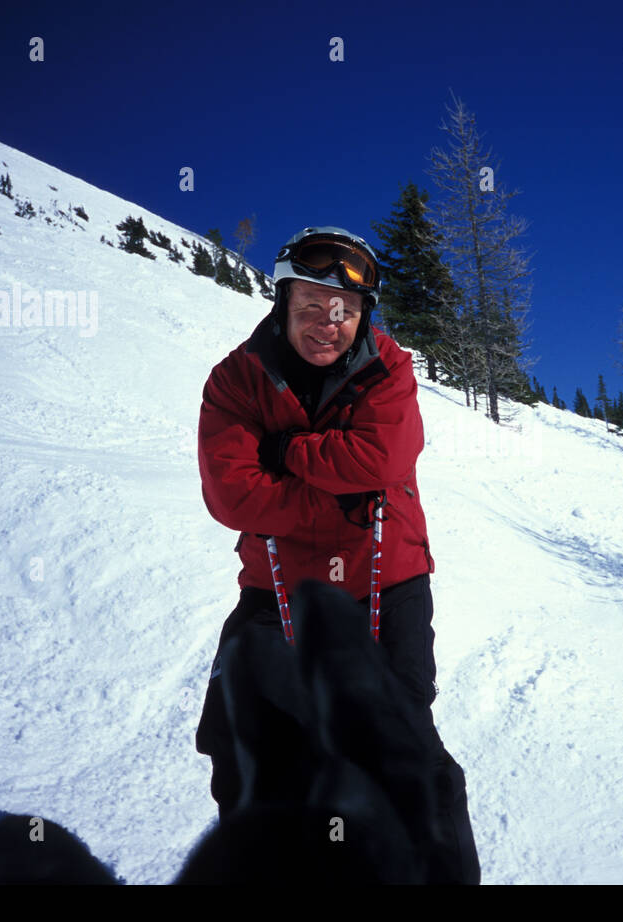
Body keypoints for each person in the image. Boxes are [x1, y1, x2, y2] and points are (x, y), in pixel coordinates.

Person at [194, 225, 480, 884]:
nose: (329, 324)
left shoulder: (390, 367)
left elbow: (382, 457)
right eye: (312, 308)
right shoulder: (236, 379)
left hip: (388, 586)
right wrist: (341, 494)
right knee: (242, 749)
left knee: (403, 758)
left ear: (363, 314)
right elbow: (234, 496)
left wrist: (287, 452)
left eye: (345, 311)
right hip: (276, 591)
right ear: (283, 303)